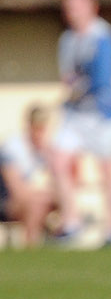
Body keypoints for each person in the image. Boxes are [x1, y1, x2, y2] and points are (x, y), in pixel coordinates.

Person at [48, 0, 111, 245]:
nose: (73, 12)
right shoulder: (67, 40)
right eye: (69, 7)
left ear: (92, 6)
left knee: (107, 171)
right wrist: (70, 89)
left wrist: (79, 88)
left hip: (102, 114)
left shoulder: (103, 36)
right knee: (58, 160)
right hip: (76, 114)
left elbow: (102, 78)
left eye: (78, 5)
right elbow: (67, 75)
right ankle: (72, 221)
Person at [1, 103, 57, 246]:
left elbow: (60, 182)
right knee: (36, 204)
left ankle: (57, 242)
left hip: (33, 197)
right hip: (6, 202)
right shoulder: (12, 147)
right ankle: (32, 247)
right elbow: (18, 191)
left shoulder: (44, 149)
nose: (40, 132)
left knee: (59, 201)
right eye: (37, 127)